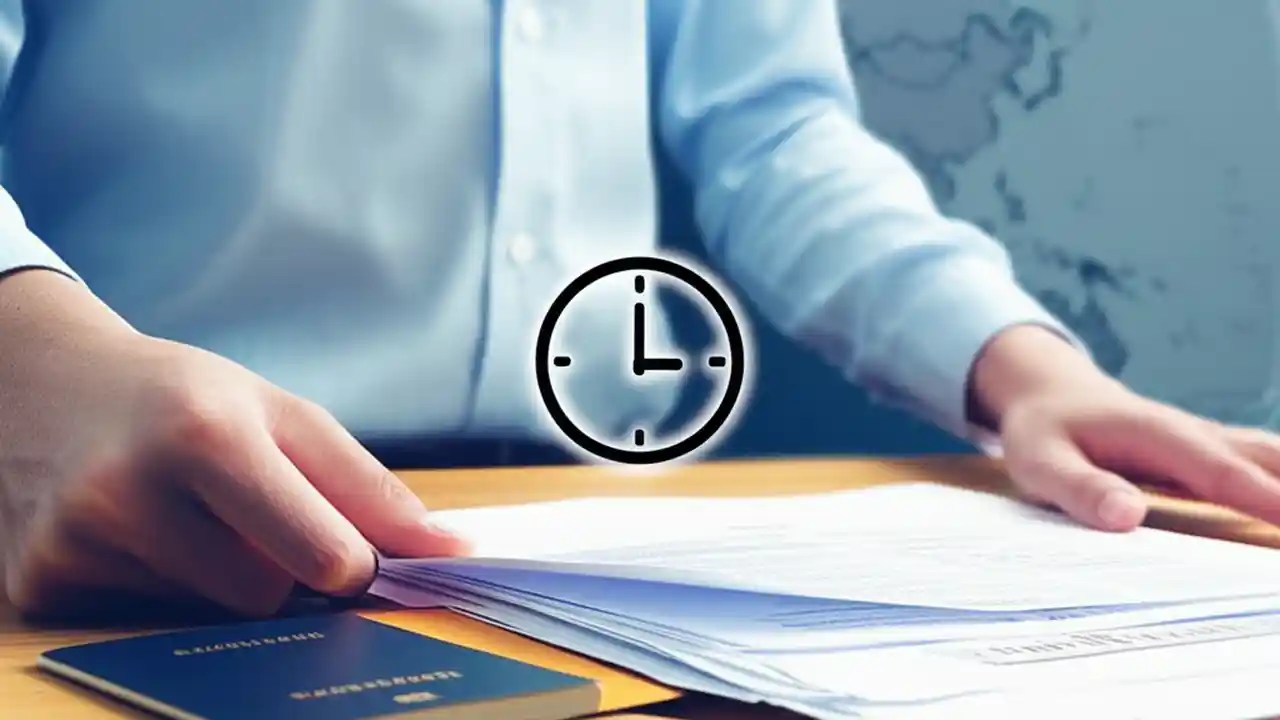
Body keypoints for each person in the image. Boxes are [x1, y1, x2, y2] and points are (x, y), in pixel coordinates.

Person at [2, 1, 1279, 618]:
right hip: (156, 531)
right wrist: (35, 350)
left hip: (589, 545)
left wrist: (1021, 369)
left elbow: (772, 129)